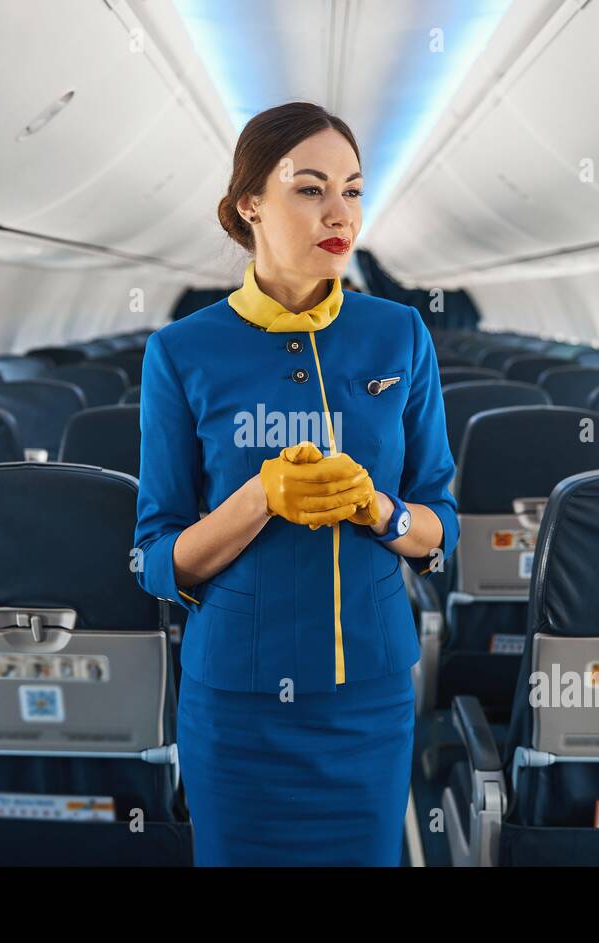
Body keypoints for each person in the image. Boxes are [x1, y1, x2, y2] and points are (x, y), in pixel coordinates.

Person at [133, 101, 459, 865]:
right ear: (250, 203)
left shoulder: (399, 334)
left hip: (369, 695)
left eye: (352, 190)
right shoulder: (182, 352)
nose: (337, 212)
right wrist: (259, 498)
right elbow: (156, 557)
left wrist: (378, 508)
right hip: (238, 703)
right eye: (310, 189)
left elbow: (440, 521)